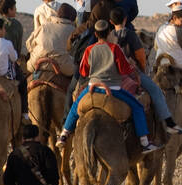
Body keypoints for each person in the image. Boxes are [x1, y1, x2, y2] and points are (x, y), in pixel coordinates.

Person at [57, 20, 161, 153]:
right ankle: (144, 142)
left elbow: (83, 71)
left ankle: (64, 134)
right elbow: (124, 70)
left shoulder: (89, 49)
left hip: (92, 87)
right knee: (138, 107)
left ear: (96, 34)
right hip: (113, 88)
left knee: (75, 105)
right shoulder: (115, 48)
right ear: (108, 33)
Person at [111, 6, 182, 133]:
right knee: (156, 91)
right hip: (130, 72)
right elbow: (140, 56)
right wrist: (142, 70)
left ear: (111, 22)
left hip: (113, 74)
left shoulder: (109, 36)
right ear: (125, 19)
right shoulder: (131, 35)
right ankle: (168, 123)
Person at [25, 2, 77, 76]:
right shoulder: (73, 30)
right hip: (64, 67)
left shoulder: (44, 26)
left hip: (36, 63)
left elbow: (29, 44)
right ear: (72, 18)